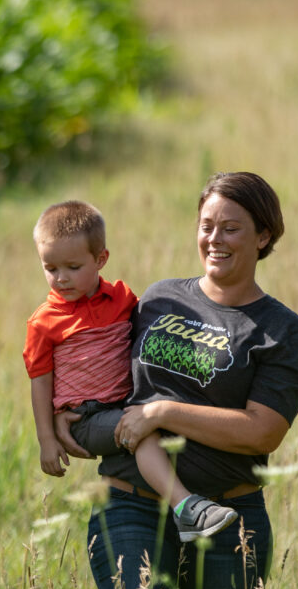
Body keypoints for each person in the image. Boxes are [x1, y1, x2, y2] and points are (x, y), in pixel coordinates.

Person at [62, 172, 298, 589]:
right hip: (131, 505)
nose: (214, 239)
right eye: (206, 226)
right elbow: (99, 365)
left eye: (231, 228)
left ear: (264, 236)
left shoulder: (280, 331)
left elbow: (262, 430)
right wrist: (64, 416)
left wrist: (164, 412)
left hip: (228, 521)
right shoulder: (157, 300)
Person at [24, 200, 240, 542]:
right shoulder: (44, 322)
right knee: (144, 431)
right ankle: (186, 509)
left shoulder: (122, 299)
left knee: (152, 423)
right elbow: (40, 381)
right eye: (50, 268)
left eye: (73, 266)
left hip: (125, 402)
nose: (61, 278)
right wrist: (47, 439)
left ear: (101, 259)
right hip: (84, 417)